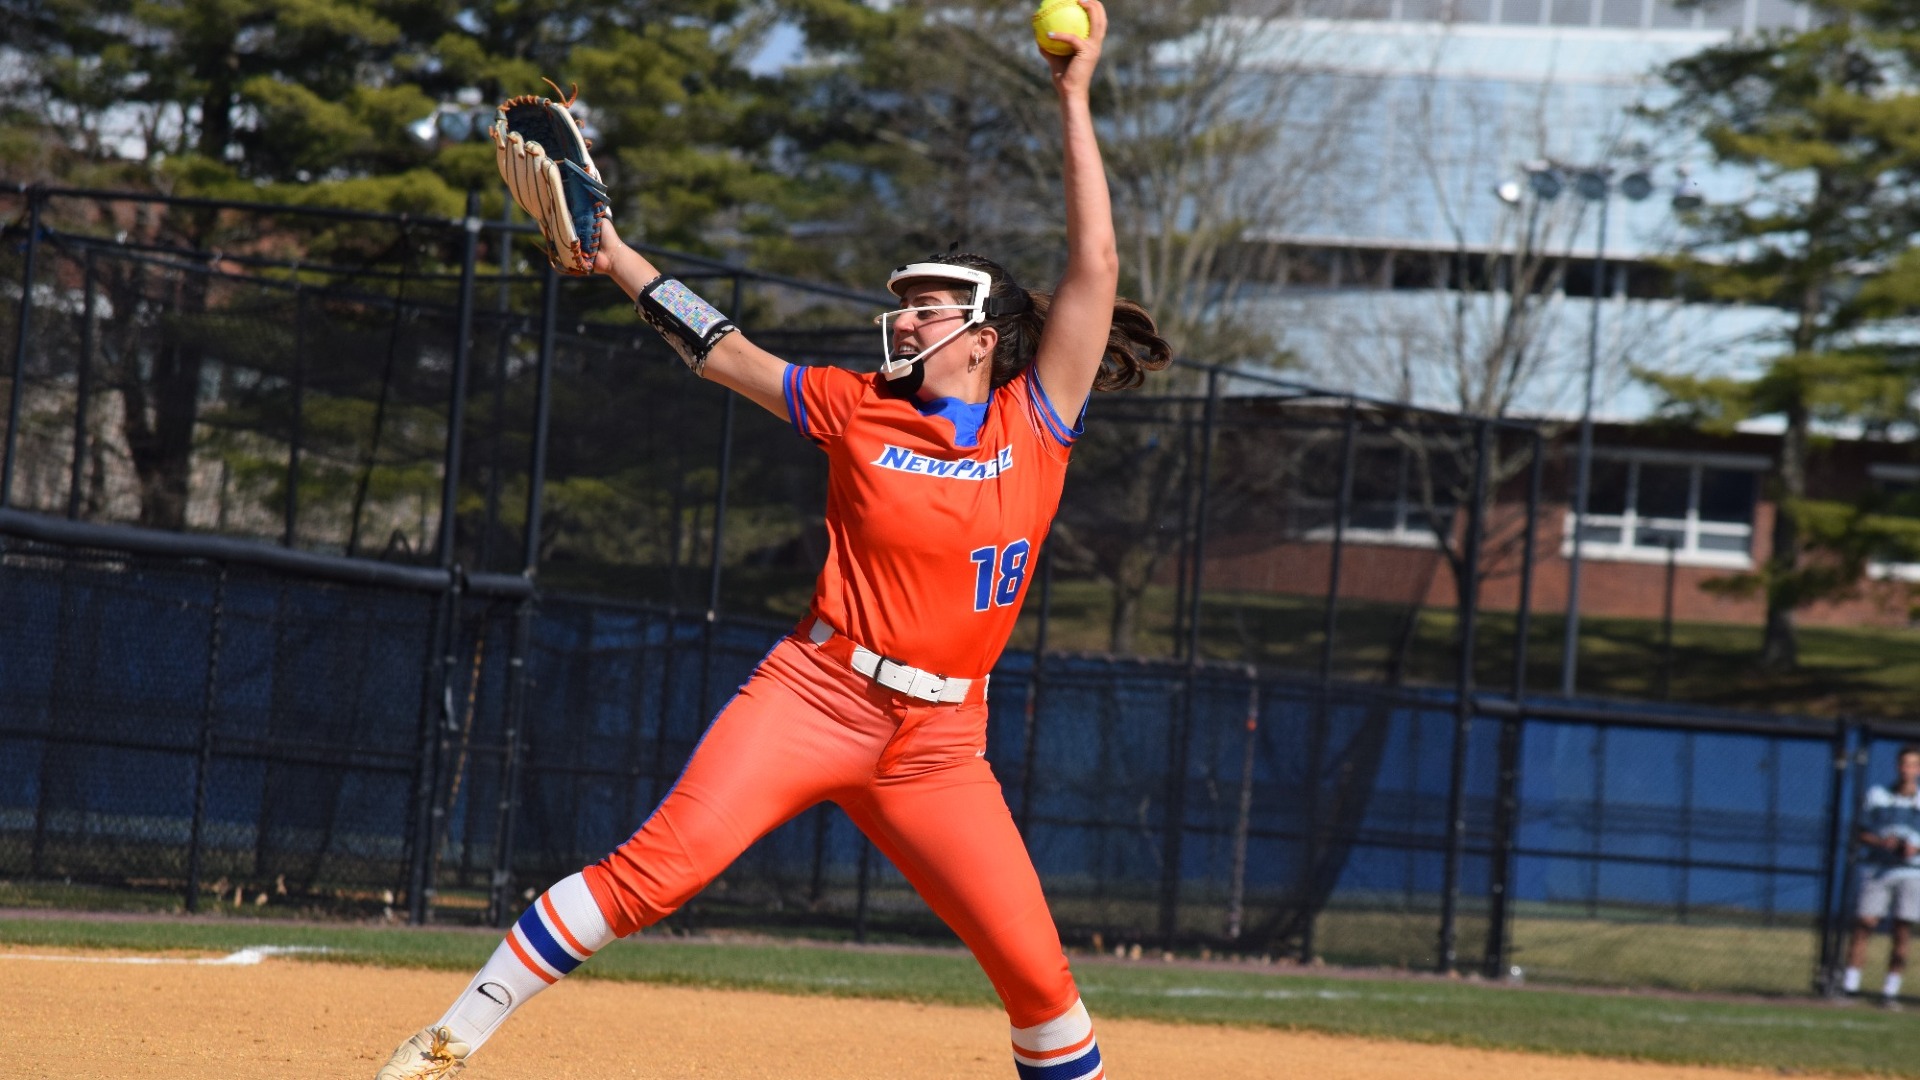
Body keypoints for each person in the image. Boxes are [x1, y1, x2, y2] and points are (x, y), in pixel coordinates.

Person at [376, 3, 1169, 1076]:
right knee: (655, 872)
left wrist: (1073, 97)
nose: (905, 317)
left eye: (929, 307)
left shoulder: (1037, 422)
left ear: (983, 340)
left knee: (1038, 978)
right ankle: (444, 1045)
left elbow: (1098, 262)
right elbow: (721, 348)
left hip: (942, 745)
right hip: (817, 695)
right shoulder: (855, 406)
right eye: (904, 304)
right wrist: (615, 256)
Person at [1841, 744, 1920, 1009]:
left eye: (1913, 765)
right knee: (1865, 924)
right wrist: (1883, 842)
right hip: (1878, 869)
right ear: (1897, 766)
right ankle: (1849, 987)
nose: (1907, 770)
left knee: (1902, 930)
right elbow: (1861, 831)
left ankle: (1890, 992)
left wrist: (1913, 848)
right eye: (1904, 764)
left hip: (1911, 872)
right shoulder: (1878, 795)